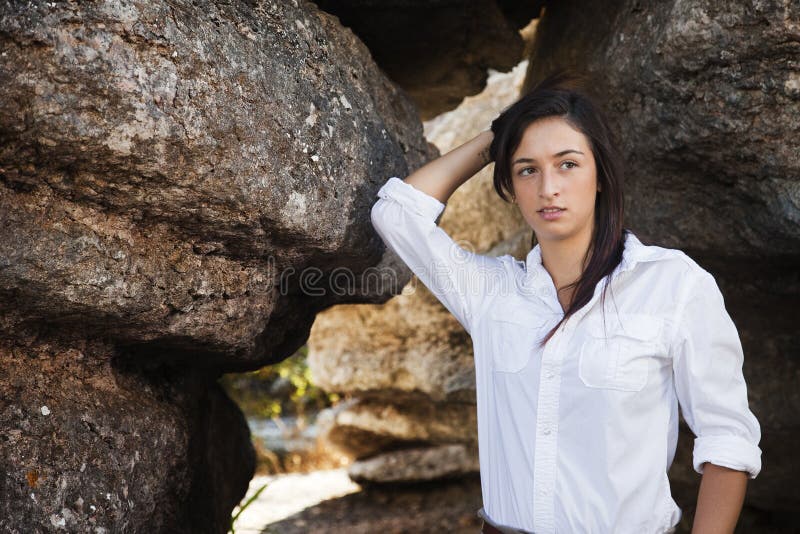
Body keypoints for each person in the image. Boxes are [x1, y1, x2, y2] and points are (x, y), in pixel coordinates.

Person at [369, 71, 762, 534]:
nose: (548, 188)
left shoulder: (673, 285)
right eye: (527, 169)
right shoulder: (491, 294)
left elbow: (727, 437)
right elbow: (396, 213)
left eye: (568, 164)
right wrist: (499, 135)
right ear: (511, 189)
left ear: (600, 176)